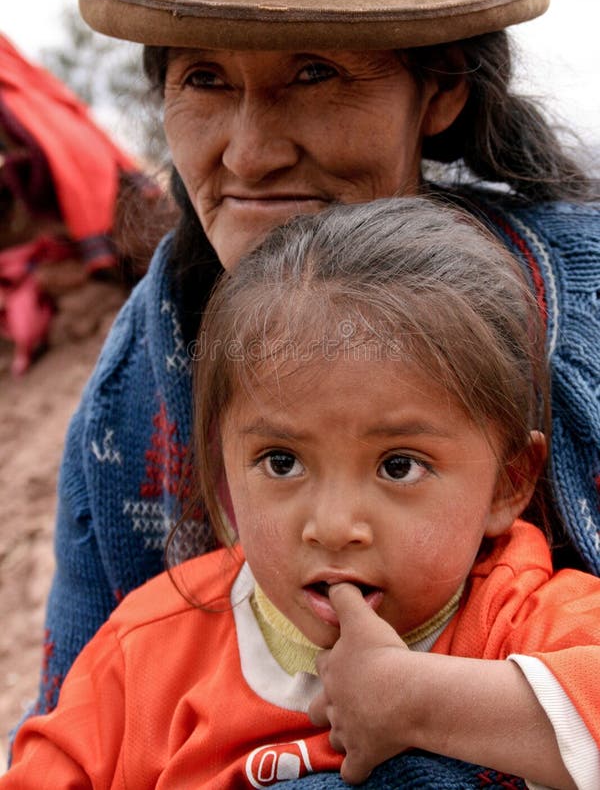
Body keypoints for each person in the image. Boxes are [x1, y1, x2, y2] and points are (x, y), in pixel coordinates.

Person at [15, 0, 600, 785]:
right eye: (204, 78)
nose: (248, 155)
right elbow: (74, 726)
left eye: (315, 72)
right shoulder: (137, 393)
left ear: (441, 85)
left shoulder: (576, 324)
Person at [6, 197, 600, 789]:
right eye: (282, 462)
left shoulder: (515, 616)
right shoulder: (147, 651)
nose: (334, 526)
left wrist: (422, 703)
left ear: (508, 482)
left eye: (399, 467)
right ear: (223, 472)